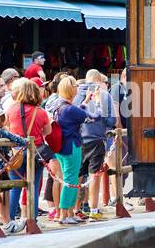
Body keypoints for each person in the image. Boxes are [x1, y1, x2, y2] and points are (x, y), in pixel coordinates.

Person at [4, 77, 52, 226]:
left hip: (17, 152)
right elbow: (47, 131)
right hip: (35, 152)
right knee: (33, 186)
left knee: (15, 187)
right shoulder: (41, 112)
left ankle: (10, 220)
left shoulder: (11, 109)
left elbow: (6, 127)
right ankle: (32, 220)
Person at [50, 75, 97, 224]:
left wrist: (85, 102)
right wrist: (97, 102)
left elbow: (78, 113)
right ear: (71, 90)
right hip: (72, 147)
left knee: (68, 178)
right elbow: (93, 117)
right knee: (71, 180)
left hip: (61, 148)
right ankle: (64, 213)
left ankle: (69, 212)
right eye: (75, 86)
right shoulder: (70, 109)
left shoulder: (59, 107)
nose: (77, 89)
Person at [76, 70, 116, 220]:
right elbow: (112, 121)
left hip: (78, 139)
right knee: (95, 176)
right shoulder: (105, 95)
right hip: (97, 139)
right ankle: (93, 210)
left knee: (77, 176)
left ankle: (75, 210)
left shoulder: (75, 93)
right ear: (99, 80)